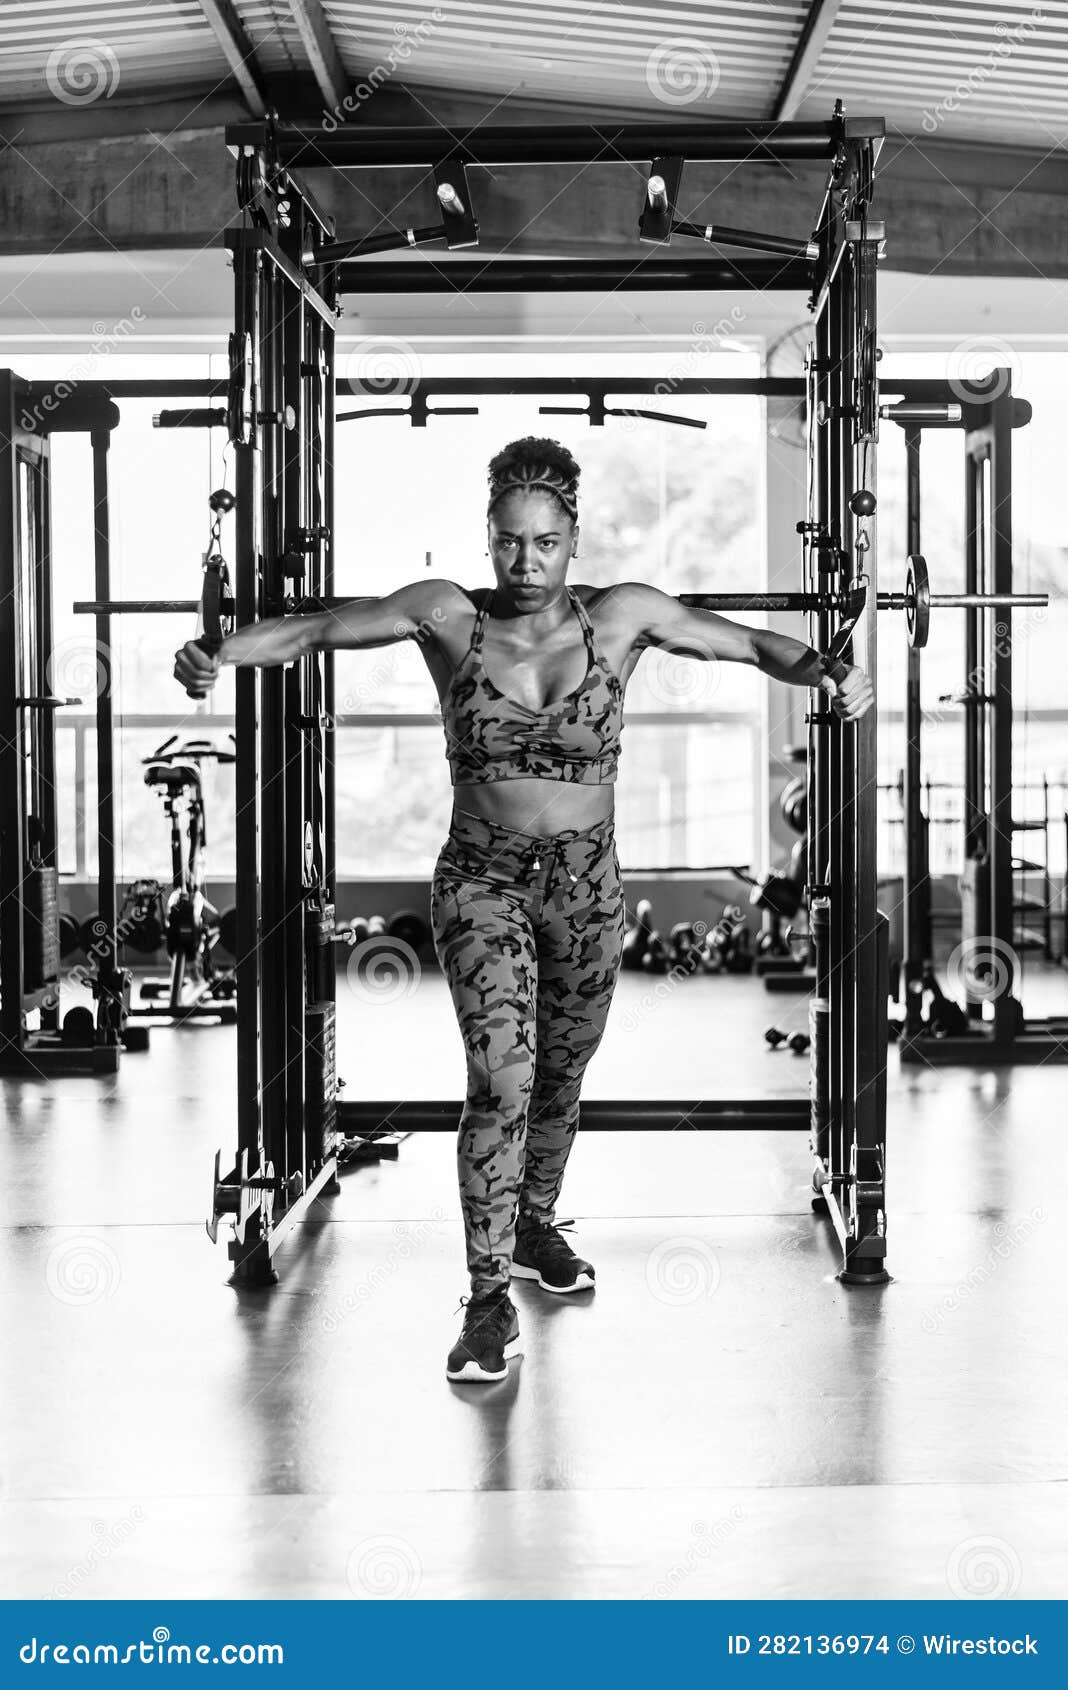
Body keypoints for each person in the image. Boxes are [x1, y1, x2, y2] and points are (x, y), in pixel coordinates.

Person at [174, 436, 873, 1385]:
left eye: (545, 542)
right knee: (502, 1079)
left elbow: (750, 644)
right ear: (489, 537)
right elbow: (315, 630)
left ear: (573, 538)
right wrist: (218, 650)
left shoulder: (621, 618)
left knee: (561, 1076)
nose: (526, 561)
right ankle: (485, 1301)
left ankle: (535, 1220)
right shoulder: (447, 618)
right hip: (482, 880)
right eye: (509, 541)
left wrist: (828, 672)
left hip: (588, 887)